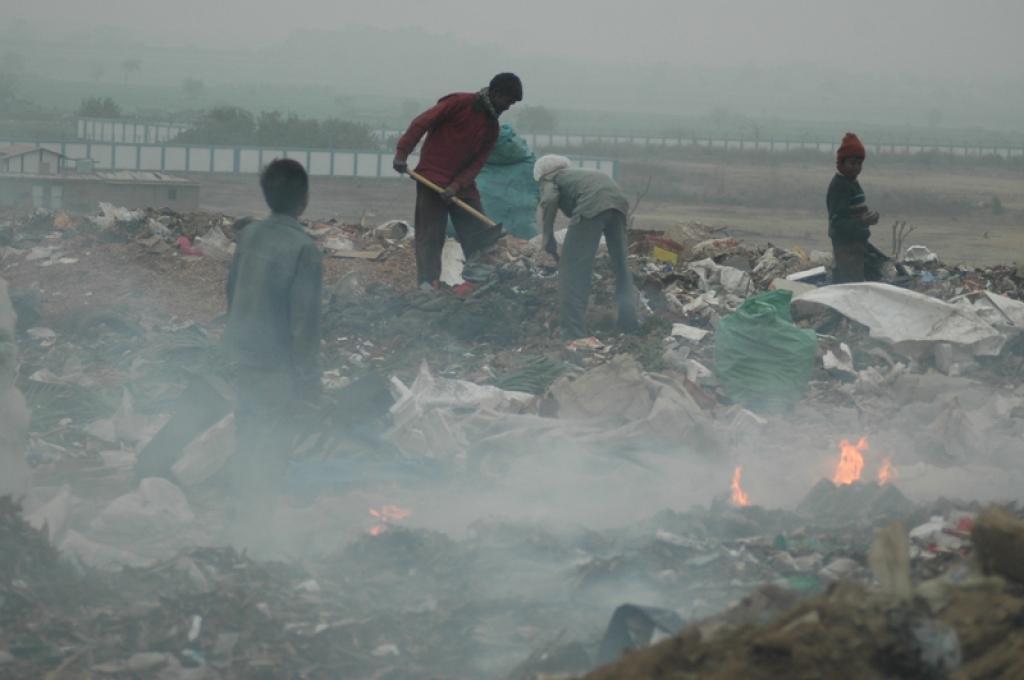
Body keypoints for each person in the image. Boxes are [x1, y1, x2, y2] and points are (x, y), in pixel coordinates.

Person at [223, 158, 322, 531]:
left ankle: (240, 514)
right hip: (277, 364)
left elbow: (231, 290)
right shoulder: (303, 249)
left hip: (242, 354)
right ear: (305, 198)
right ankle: (262, 528)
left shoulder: (249, 235)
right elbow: (305, 324)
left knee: (247, 433)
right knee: (274, 441)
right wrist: (309, 380)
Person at [393, 73, 523, 286]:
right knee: (431, 235)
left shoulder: (492, 127)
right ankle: (428, 284)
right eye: (508, 101)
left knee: (480, 229)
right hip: (431, 178)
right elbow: (421, 123)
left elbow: (477, 163)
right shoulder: (459, 103)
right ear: (497, 93)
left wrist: (456, 186)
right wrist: (402, 153)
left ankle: (478, 280)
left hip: (462, 185)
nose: (509, 107)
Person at [534, 154, 639, 340]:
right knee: (621, 267)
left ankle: (573, 334)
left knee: (572, 271)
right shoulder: (578, 173)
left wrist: (547, 236)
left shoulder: (550, 178)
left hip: (592, 206)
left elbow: (549, 200)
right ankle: (629, 324)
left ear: (541, 174)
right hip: (618, 206)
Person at [827, 132, 883, 283]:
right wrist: (863, 222)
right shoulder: (840, 186)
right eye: (852, 163)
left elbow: (854, 212)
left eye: (859, 163)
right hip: (846, 247)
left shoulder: (851, 182)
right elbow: (837, 223)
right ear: (841, 162)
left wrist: (870, 217)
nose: (856, 168)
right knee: (852, 286)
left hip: (857, 245)